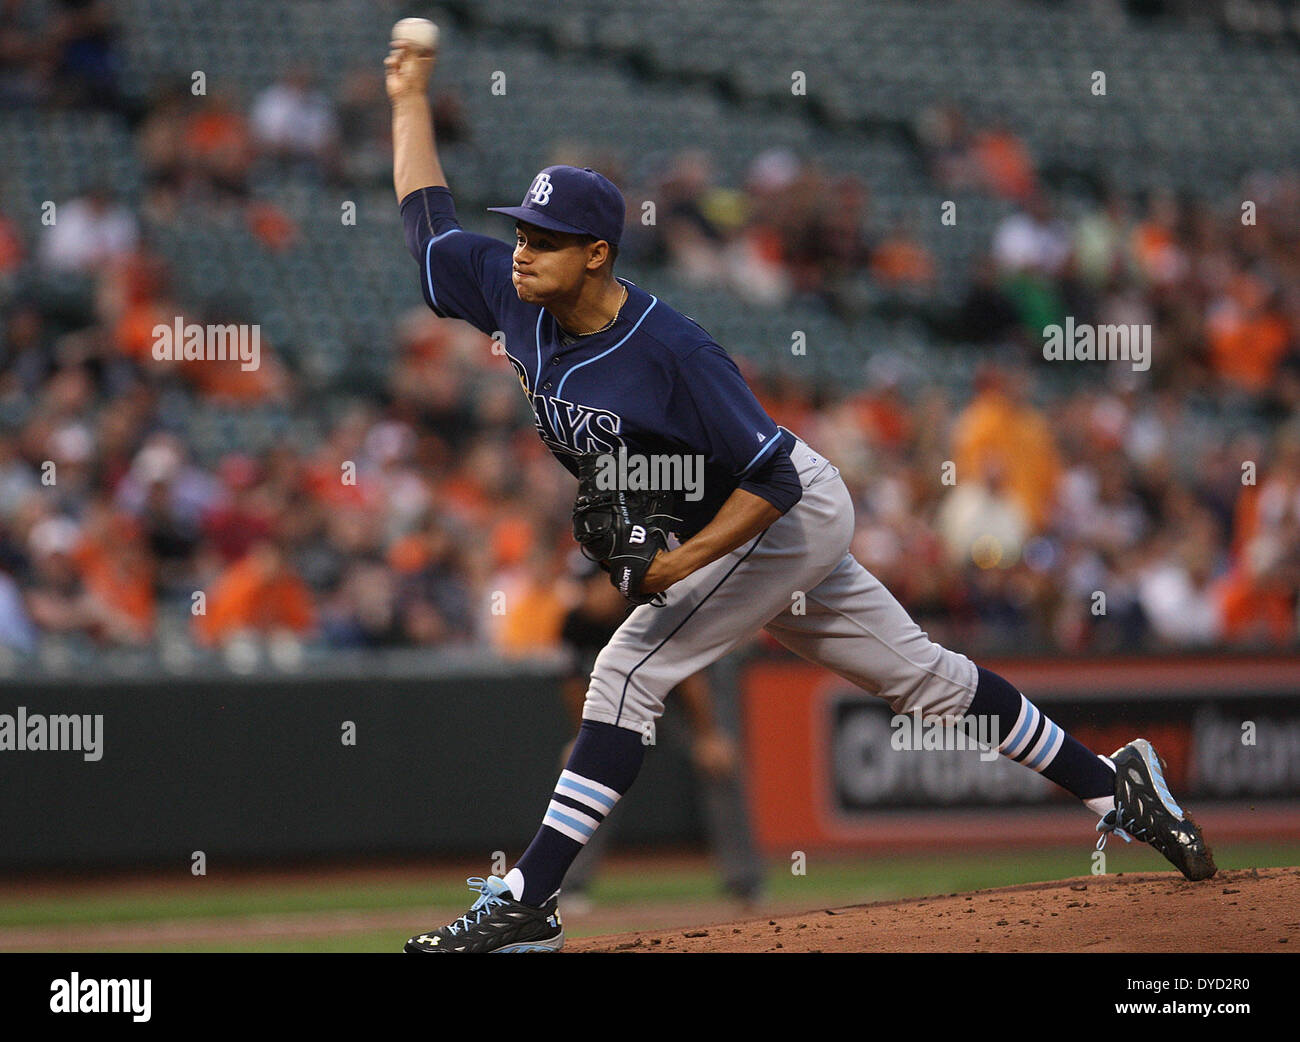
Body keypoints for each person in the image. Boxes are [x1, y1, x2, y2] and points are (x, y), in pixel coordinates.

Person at [386, 38, 1216, 955]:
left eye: (543, 240)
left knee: (626, 672)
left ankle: (527, 901)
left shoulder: (676, 351)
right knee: (922, 678)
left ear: (595, 254)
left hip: (782, 511)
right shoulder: (511, 298)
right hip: (740, 532)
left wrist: (676, 564)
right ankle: (1117, 787)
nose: (521, 252)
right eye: (520, 233)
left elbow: (775, 477)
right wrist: (410, 98)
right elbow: (428, 233)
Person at [557, 559, 764, 909]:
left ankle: (745, 882)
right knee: (589, 774)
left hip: (680, 698)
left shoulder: (645, 608)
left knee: (719, 767)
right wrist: (583, 739)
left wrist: (708, 735)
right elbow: (575, 683)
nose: (588, 595)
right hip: (628, 702)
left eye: (593, 585)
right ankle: (570, 884)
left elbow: (689, 678)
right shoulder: (577, 622)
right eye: (583, 588)